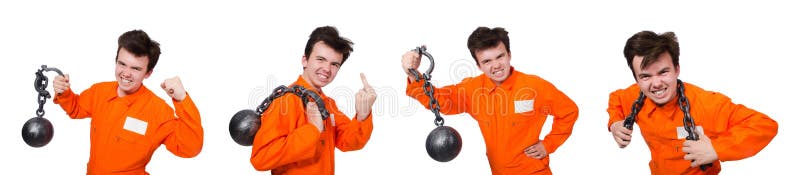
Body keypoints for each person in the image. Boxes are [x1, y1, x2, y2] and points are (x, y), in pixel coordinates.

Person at [402, 27, 579, 174]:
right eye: (487, 61)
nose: (496, 65)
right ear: (478, 65)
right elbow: (437, 100)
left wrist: (548, 145)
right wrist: (412, 73)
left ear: (509, 55)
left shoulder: (534, 86)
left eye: (500, 56)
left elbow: (569, 111)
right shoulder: (472, 90)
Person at [607, 31, 779, 174]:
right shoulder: (635, 96)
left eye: (663, 72)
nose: (656, 83)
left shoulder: (708, 104)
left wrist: (717, 149)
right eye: (646, 76)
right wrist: (615, 122)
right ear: (637, 79)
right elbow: (616, 99)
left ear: (677, 69)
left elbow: (764, 125)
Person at [52, 29, 204, 174]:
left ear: (148, 73)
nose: (126, 73)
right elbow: (76, 109)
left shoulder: (158, 111)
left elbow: (190, 148)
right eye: (122, 64)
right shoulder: (99, 92)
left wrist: (182, 99)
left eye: (136, 69)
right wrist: (63, 92)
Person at [249, 26, 377, 175]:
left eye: (334, 64)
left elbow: (348, 142)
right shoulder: (286, 101)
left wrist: (363, 115)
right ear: (305, 60)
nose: (327, 69)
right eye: (321, 59)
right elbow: (261, 158)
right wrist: (313, 129)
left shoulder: (328, 103)